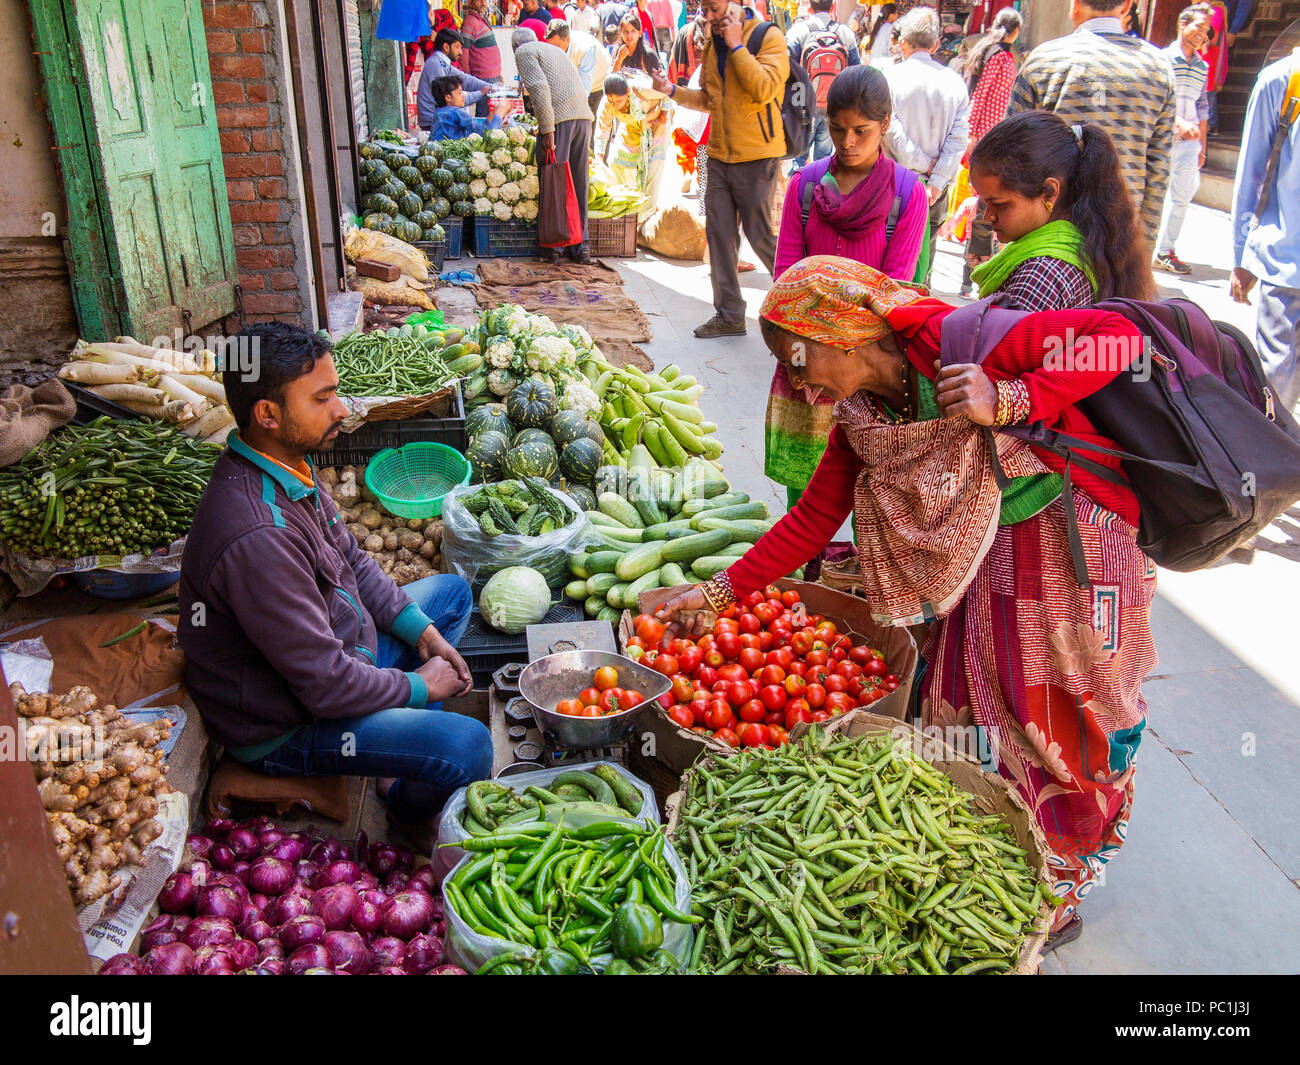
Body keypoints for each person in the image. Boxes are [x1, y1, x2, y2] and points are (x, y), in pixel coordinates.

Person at [656, 256, 1158, 950]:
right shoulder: (862, 415)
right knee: (970, 702)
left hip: (1066, 534)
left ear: (838, 333)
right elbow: (814, 515)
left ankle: (1062, 875)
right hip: (983, 555)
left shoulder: (957, 340)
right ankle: (1005, 852)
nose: (800, 385)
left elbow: (1120, 341)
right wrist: (718, 592)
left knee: (1060, 714)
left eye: (799, 363)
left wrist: (1007, 398)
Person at [178, 324, 491, 850]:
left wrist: (425, 637)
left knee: (449, 599)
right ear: (268, 415)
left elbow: (352, 558)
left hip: (342, 654)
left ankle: (395, 744)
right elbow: (324, 685)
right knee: (469, 747)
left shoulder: (287, 467)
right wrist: (422, 686)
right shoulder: (257, 538)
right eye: (323, 399)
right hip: (287, 721)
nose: (341, 410)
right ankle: (404, 809)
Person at [766, 65, 927, 516]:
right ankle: (808, 575)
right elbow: (784, 286)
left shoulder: (907, 195)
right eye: (837, 129)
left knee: (872, 494)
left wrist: (840, 355)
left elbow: (894, 296)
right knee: (805, 493)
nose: (848, 142)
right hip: (804, 360)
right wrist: (804, 360)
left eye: (861, 130)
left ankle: (860, 577)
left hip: (871, 370)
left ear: (886, 122)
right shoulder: (805, 186)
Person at [650, 0, 789, 338]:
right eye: (705, 10)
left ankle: (799, 305)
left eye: (714, 9)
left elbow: (764, 88)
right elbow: (709, 98)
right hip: (719, 156)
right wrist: (671, 90)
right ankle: (729, 315)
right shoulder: (713, 40)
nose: (709, 17)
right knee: (719, 236)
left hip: (756, 157)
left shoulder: (768, 37)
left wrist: (738, 45)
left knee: (760, 236)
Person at [1008, 0, 1175, 252]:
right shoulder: (1159, 69)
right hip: (1120, 239)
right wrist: (1144, 247)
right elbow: (1158, 170)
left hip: (1046, 239)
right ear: (1127, 5)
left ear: (1074, 5)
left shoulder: (1043, 61)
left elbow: (1008, 156)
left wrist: (987, 231)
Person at [968, 111, 1155, 310]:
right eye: (985, 203)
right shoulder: (1084, 241)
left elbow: (1002, 340)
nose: (989, 216)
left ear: (1049, 193)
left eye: (1000, 204)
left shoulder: (1040, 278)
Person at [1230, 47, 1300, 411]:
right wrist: (1241, 254)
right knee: (1276, 391)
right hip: (1286, 264)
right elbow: (1252, 174)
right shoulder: (1285, 80)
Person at [882, 6, 971, 287]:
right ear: (935, 44)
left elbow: (890, 130)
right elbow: (958, 139)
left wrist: (921, 164)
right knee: (924, 258)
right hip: (934, 190)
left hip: (894, 183)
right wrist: (936, 178)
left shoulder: (890, 77)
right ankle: (918, 312)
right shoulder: (954, 83)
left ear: (902, 42)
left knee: (888, 252)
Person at [512, 28, 596, 263]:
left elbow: (539, 88)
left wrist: (547, 129)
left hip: (561, 121)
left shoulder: (523, 52)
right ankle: (581, 247)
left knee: (556, 182)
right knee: (578, 182)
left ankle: (555, 247)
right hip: (583, 117)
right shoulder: (551, 49)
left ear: (514, 48)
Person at [959, 7, 1022, 296]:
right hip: (990, 142)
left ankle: (974, 274)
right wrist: (972, 134)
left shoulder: (987, 51)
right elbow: (982, 95)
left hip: (985, 139)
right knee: (986, 211)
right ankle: (974, 275)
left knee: (984, 211)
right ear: (1016, 31)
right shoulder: (1000, 57)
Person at [1153, 4, 1214, 275]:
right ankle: (1146, 248)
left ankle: (1166, 251)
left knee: (1182, 197)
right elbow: (1157, 98)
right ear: (1182, 25)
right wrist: (1177, 123)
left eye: (1206, 29)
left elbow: (1203, 106)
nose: (1202, 34)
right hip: (1164, 138)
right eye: (1198, 27)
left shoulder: (1203, 66)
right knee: (1154, 194)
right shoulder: (1163, 59)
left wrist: (1202, 144)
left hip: (1190, 143)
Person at [785, 0, 861, 164]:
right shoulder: (845, 33)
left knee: (798, 157)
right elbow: (856, 71)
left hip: (803, 104)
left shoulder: (798, 31)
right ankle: (819, 189)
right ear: (833, 7)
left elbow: (785, 67)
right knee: (824, 160)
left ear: (810, 8)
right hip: (834, 105)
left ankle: (798, 187)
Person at [595, 72, 674, 219]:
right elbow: (602, 129)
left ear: (628, 92)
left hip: (655, 129)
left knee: (652, 172)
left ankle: (645, 218)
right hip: (631, 129)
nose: (615, 105)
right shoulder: (608, 102)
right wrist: (599, 160)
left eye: (618, 101)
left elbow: (667, 91)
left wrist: (663, 115)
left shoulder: (642, 89)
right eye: (611, 101)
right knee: (616, 163)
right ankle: (626, 210)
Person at [416, 28, 498, 131]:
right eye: (457, 47)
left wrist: (492, 87)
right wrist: (481, 93)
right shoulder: (436, 64)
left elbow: (466, 80)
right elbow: (451, 99)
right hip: (432, 122)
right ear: (446, 47)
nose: (461, 52)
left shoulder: (444, 63)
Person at [549, 18, 613, 112]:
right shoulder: (559, 45)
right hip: (580, 85)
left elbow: (584, 90)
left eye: (556, 46)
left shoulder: (584, 49)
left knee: (592, 122)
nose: (552, 50)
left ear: (567, 39)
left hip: (599, 86)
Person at [426, 75, 507, 140]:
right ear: (448, 98)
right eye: (460, 93)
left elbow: (478, 128)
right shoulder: (455, 112)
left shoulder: (438, 113)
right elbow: (485, 133)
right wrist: (499, 114)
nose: (463, 96)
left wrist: (493, 114)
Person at [460, 0, 504, 118]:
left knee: (493, 114)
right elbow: (464, 52)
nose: (484, 3)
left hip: (492, 75)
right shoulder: (470, 22)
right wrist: (468, 77)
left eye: (485, 0)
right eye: (480, 0)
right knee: (484, 115)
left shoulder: (481, 19)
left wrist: (498, 73)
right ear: (471, 2)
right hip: (483, 77)